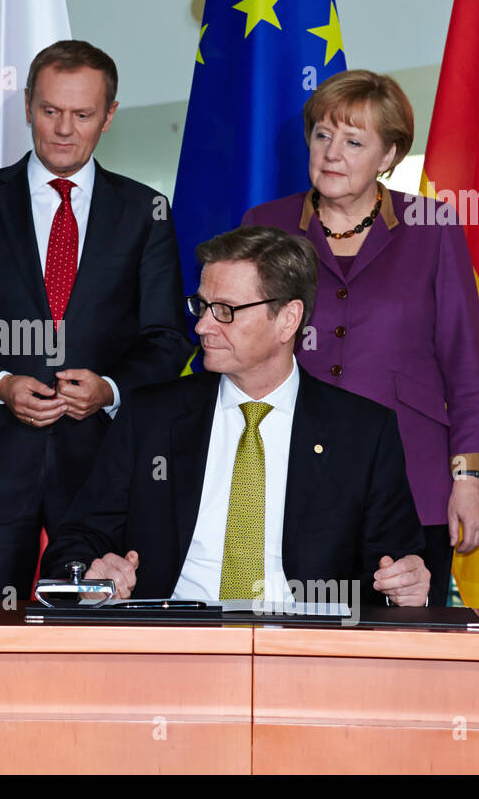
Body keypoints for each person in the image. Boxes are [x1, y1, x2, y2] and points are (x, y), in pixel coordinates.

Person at [0, 39, 192, 600]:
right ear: (28, 103)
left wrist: (108, 390)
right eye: (50, 110)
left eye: (82, 114)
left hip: (102, 472)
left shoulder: (145, 212)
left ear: (108, 117)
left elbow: (166, 338)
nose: (63, 128)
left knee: (94, 642)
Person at [41, 227, 429, 607]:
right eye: (202, 305)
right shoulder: (150, 417)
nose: (201, 326)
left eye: (225, 310)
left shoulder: (362, 433)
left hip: (305, 649)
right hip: (174, 642)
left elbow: (393, 565)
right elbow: (76, 539)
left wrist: (405, 584)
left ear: (288, 319)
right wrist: (90, 573)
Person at [240, 70, 479, 606]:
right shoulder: (265, 224)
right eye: (322, 136)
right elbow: (239, 343)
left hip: (414, 476)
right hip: (289, 470)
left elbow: (466, 364)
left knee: (404, 649)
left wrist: (469, 479)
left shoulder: (433, 226)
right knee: (293, 636)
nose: (332, 154)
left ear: (388, 156)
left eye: (354, 141)